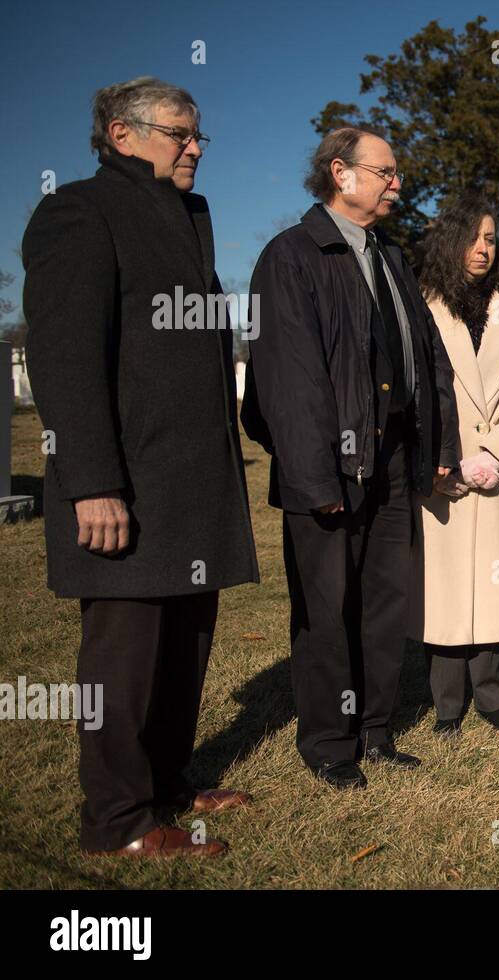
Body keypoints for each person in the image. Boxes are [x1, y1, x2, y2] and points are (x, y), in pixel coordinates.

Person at [22, 77, 260, 857]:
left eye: (198, 137)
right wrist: (90, 482)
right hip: (125, 483)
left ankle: (166, 783)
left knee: (185, 643)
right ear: (121, 135)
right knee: (124, 660)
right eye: (178, 134)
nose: (194, 148)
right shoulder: (78, 212)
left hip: (191, 484)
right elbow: (65, 357)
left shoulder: (190, 216)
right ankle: (117, 822)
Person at [241, 127, 458, 789]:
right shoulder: (292, 256)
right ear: (341, 173)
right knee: (327, 609)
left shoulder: (389, 255)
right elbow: (287, 380)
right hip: (328, 468)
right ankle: (330, 743)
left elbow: (428, 358)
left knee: (386, 602)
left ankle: (375, 730)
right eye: (386, 172)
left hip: (390, 460)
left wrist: (440, 445)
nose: (398, 184)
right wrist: (313, 476)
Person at [416, 196, 499, 739]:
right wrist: (443, 461)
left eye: (491, 238)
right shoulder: (420, 304)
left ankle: (493, 699)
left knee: (495, 591)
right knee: (445, 596)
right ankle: (446, 707)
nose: (482, 248)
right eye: (473, 237)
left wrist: (493, 457)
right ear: (450, 240)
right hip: (441, 473)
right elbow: (415, 390)